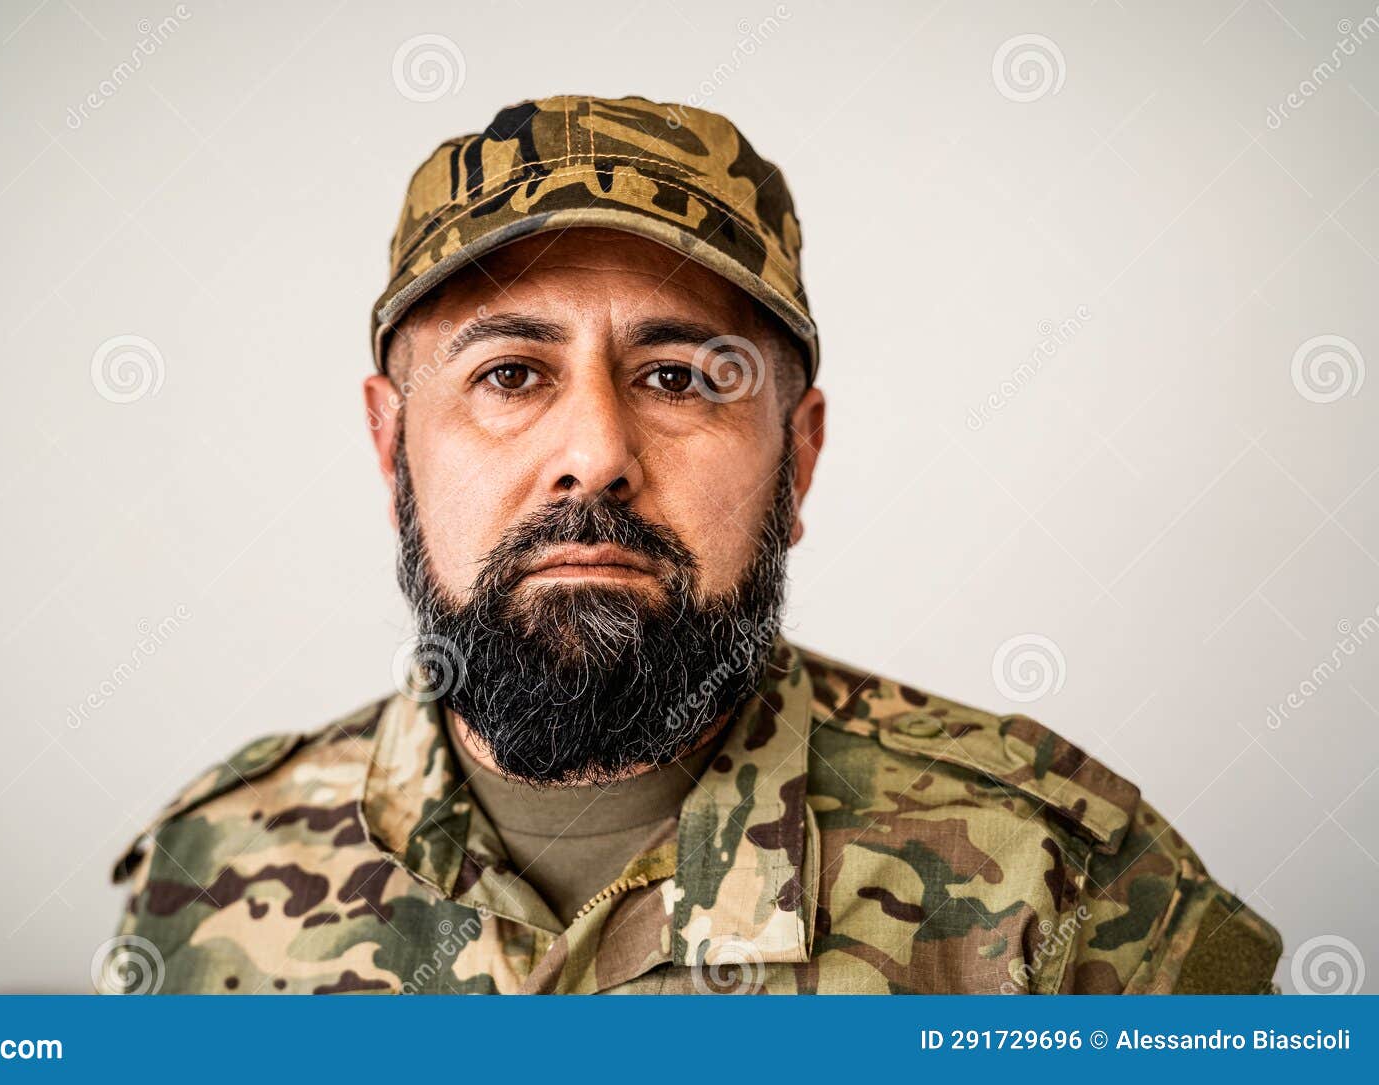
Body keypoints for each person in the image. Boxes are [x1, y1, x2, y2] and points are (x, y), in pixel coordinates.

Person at [106, 95, 1280, 994]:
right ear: (389, 442)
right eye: (509, 374)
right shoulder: (205, 871)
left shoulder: (1064, 885)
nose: (595, 454)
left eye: (678, 377)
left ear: (797, 453)